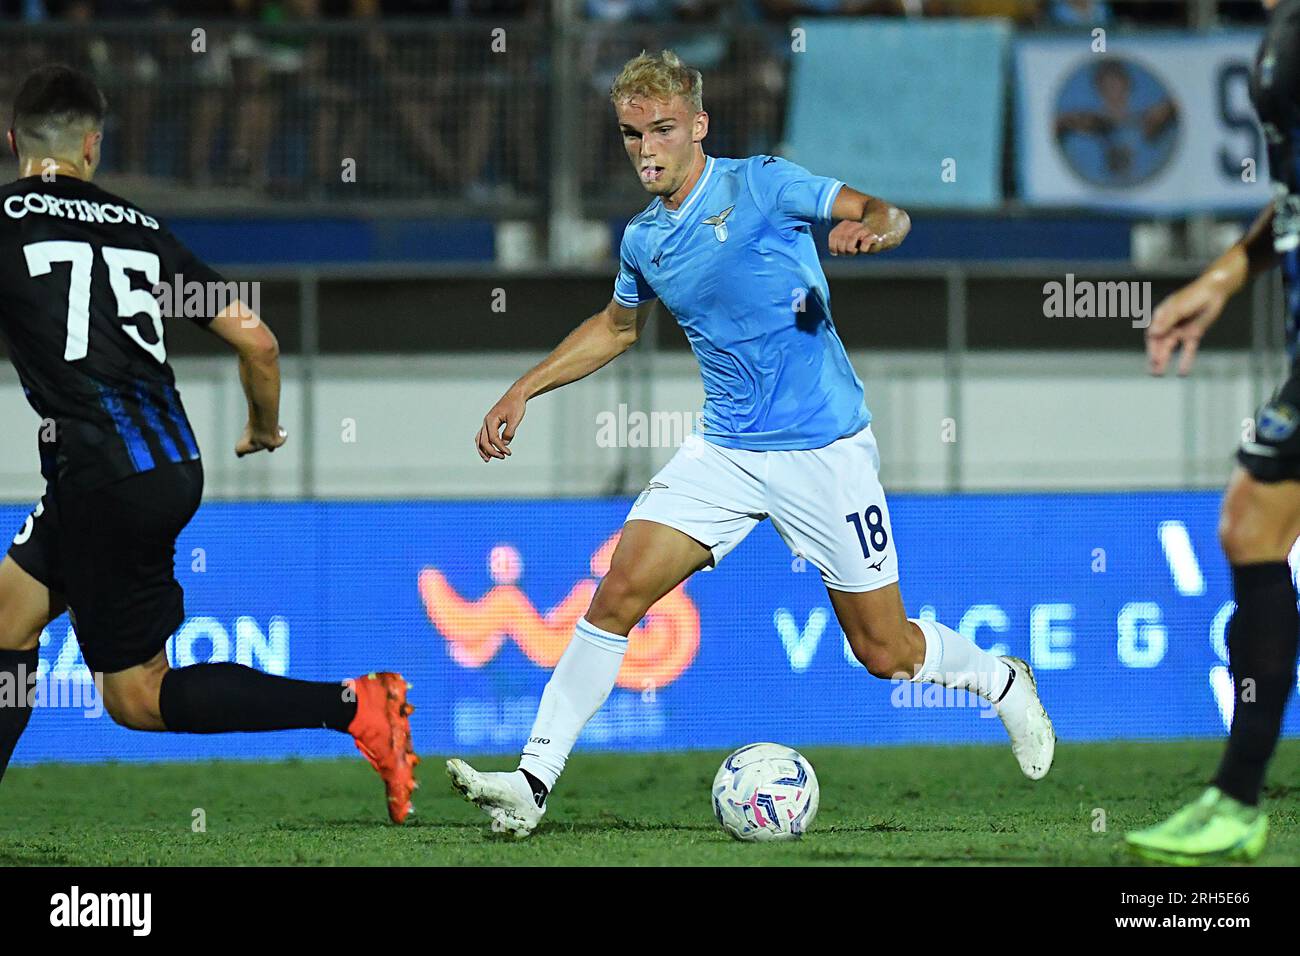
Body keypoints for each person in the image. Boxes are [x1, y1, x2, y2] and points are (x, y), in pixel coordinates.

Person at [447, 49, 1055, 837]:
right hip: (725, 453)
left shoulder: (763, 185)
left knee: (885, 651)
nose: (647, 150)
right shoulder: (643, 239)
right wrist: (524, 386)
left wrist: (874, 229)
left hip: (825, 451)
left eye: (663, 129)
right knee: (614, 595)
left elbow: (884, 211)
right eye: (632, 135)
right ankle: (533, 783)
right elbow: (617, 328)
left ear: (699, 125)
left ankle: (1000, 683)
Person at [0, 65, 418, 824]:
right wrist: (263, 427)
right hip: (159, 463)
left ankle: (356, 706)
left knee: (136, 697)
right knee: (7, 617)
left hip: (104, 477)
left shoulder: (5, 218)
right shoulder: (138, 228)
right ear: (92, 146)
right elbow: (257, 340)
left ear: (12, 141)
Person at [1127, 0, 1300, 865]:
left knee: (1249, 524)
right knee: (1250, 526)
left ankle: (1236, 797)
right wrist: (1227, 275)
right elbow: (1295, 204)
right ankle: (1235, 800)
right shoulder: (1280, 41)